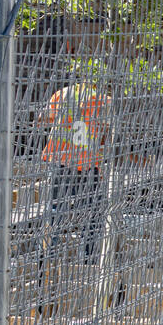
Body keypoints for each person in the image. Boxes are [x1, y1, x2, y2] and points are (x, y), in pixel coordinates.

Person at [41, 82, 108, 258]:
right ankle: (88, 258)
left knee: (55, 211)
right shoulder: (102, 100)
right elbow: (105, 136)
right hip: (86, 165)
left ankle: (48, 256)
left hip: (60, 162)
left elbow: (45, 118)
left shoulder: (62, 94)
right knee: (92, 214)